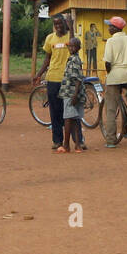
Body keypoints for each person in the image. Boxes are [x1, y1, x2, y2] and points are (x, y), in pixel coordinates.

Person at [42, 14, 83, 151]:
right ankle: (57, 140)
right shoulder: (50, 38)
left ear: (65, 24)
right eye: (56, 24)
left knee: (72, 113)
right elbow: (47, 58)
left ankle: (78, 141)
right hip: (53, 78)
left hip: (68, 82)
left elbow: (72, 39)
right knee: (55, 112)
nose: (58, 26)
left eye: (60, 24)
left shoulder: (70, 38)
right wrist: (38, 73)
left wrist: (70, 25)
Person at [101, 16, 127, 148]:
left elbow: (107, 62)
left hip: (115, 77)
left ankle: (111, 140)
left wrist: (109, 73)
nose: (109, 28)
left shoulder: (111, 41)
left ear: (115, 28)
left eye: (110, 26)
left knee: (110, 109)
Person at [58, 37, 87, 153]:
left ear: (78, 48)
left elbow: (78, 79)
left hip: (71, 93)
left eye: (73, 46)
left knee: (68, 119)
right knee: (75, 119)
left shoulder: (74, 60)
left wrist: (74, 95)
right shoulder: (73, 59)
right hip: (74, 93)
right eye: (69, 46)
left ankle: (66, 145)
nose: (71, 48)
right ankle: (78, 145)